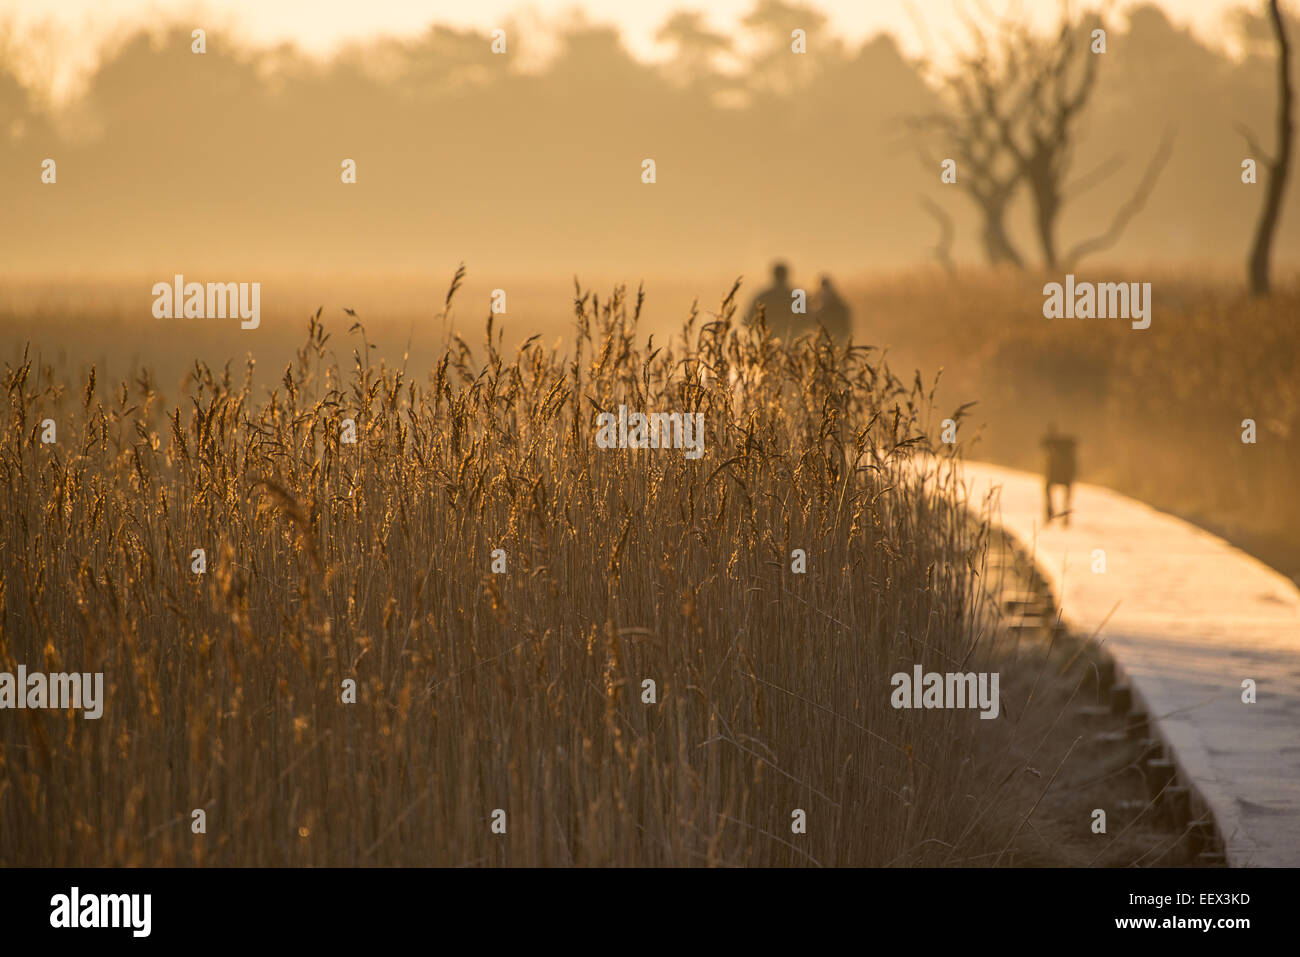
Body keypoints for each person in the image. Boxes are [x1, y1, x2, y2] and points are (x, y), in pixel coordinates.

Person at [745, 261, 798, 340]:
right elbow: (807, 320)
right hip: (791, 343)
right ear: (787, 275)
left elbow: (749, 319)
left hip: (767, 343)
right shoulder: (797, 296)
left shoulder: (763, 296)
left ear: (773, 275)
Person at [1041, 424, 1077, 526]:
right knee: (1066, 494)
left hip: (1054, 474)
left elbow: (1043, 444)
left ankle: (1050, 511)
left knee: (1047, 488)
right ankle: (1064, 514)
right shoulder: (1068, 450)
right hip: (1066, 475)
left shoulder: (1052, 446)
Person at [812, 275, 851, 343]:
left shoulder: (840, 307)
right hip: (825, 341)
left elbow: (846, 327)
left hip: (836, 340)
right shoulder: (818, 308)